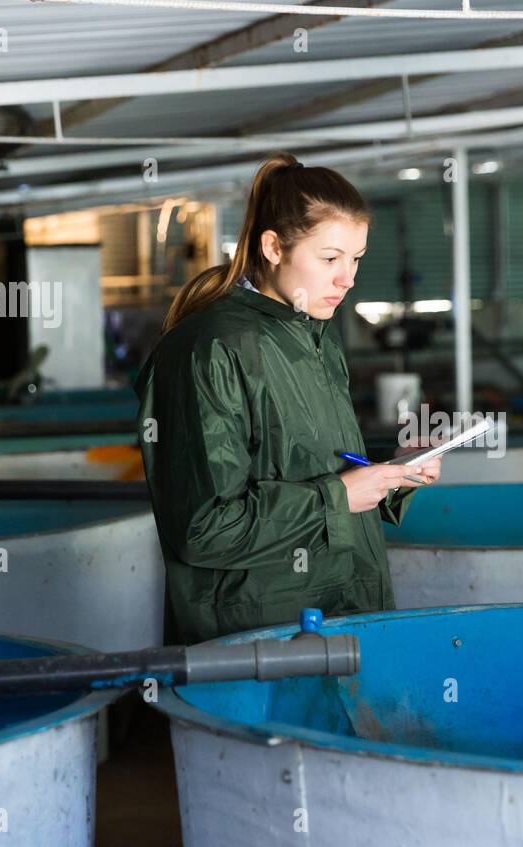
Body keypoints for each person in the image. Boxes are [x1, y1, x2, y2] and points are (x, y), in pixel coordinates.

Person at [135, 151, 439, 645]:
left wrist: (392, 473)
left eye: (356, 258)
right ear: (273, 247)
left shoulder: (314, 336)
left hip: (343, 610)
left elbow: (317, 467)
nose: (349, 279)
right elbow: (205, 526)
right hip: (260, 636)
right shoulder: (209, 350)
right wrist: (338, 500)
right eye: (330, 259)